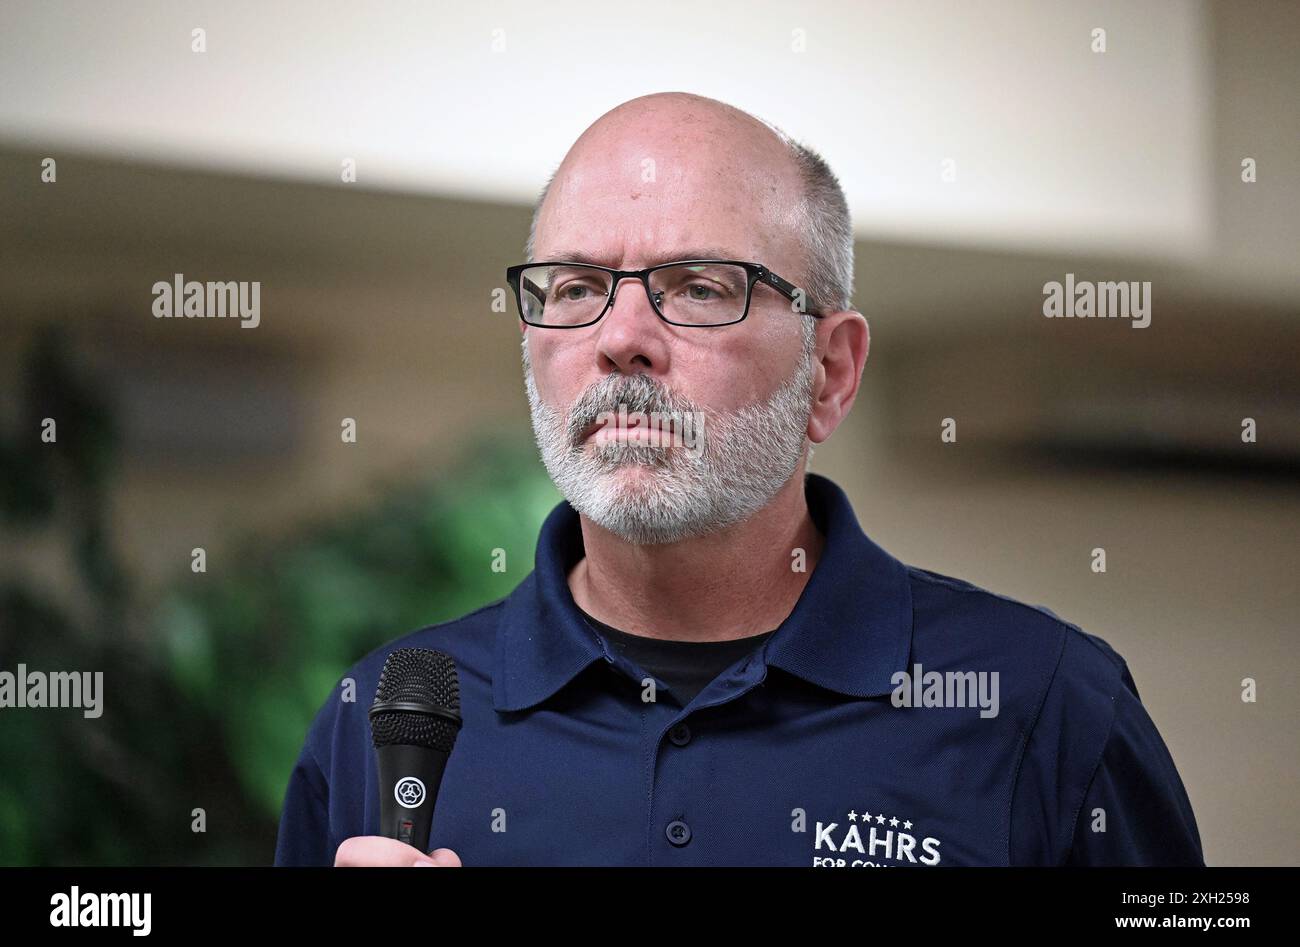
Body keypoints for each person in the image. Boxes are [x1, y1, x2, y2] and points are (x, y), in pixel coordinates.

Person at [274, 92, 1204, 867]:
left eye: (699, 287)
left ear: (829, 372)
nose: (619, 338)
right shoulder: (386, 725)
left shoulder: (1045, 706)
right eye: (571, 287)